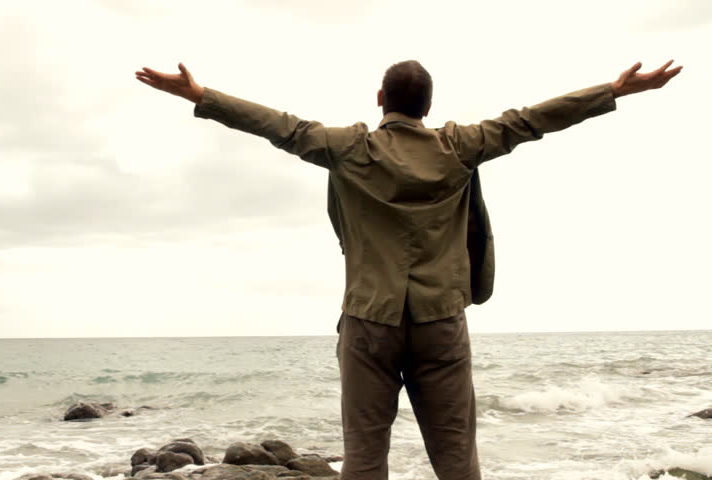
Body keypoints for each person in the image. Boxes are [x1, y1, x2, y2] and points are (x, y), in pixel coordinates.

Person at [134, 59, 682, 480]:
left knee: (364, 456)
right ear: (428, 105)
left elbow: (281, 126)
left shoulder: (348, 148)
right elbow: (529, 121)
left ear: (381, 99)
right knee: (456, 456)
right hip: (441, 322)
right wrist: (612, 91)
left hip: (368, 322)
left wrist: (200, 95)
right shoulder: (459, 146)